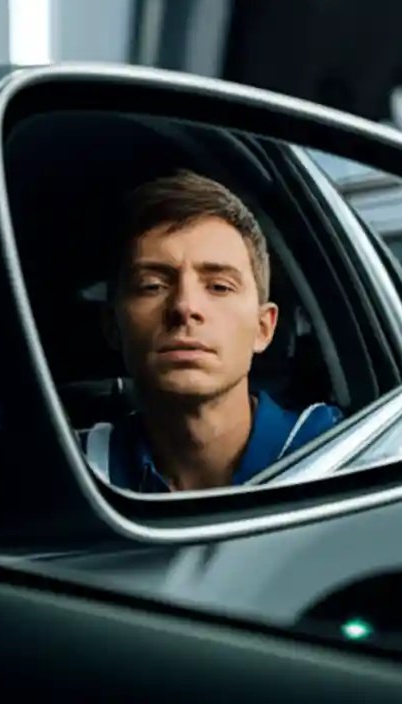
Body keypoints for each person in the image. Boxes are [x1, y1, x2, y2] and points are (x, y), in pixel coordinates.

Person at [84, 169, 343, 492]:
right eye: (152, 286)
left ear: (264, 328)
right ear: (112, 326)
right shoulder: (79, 473)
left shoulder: (330, 449)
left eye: (219, 286)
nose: (184, 306)